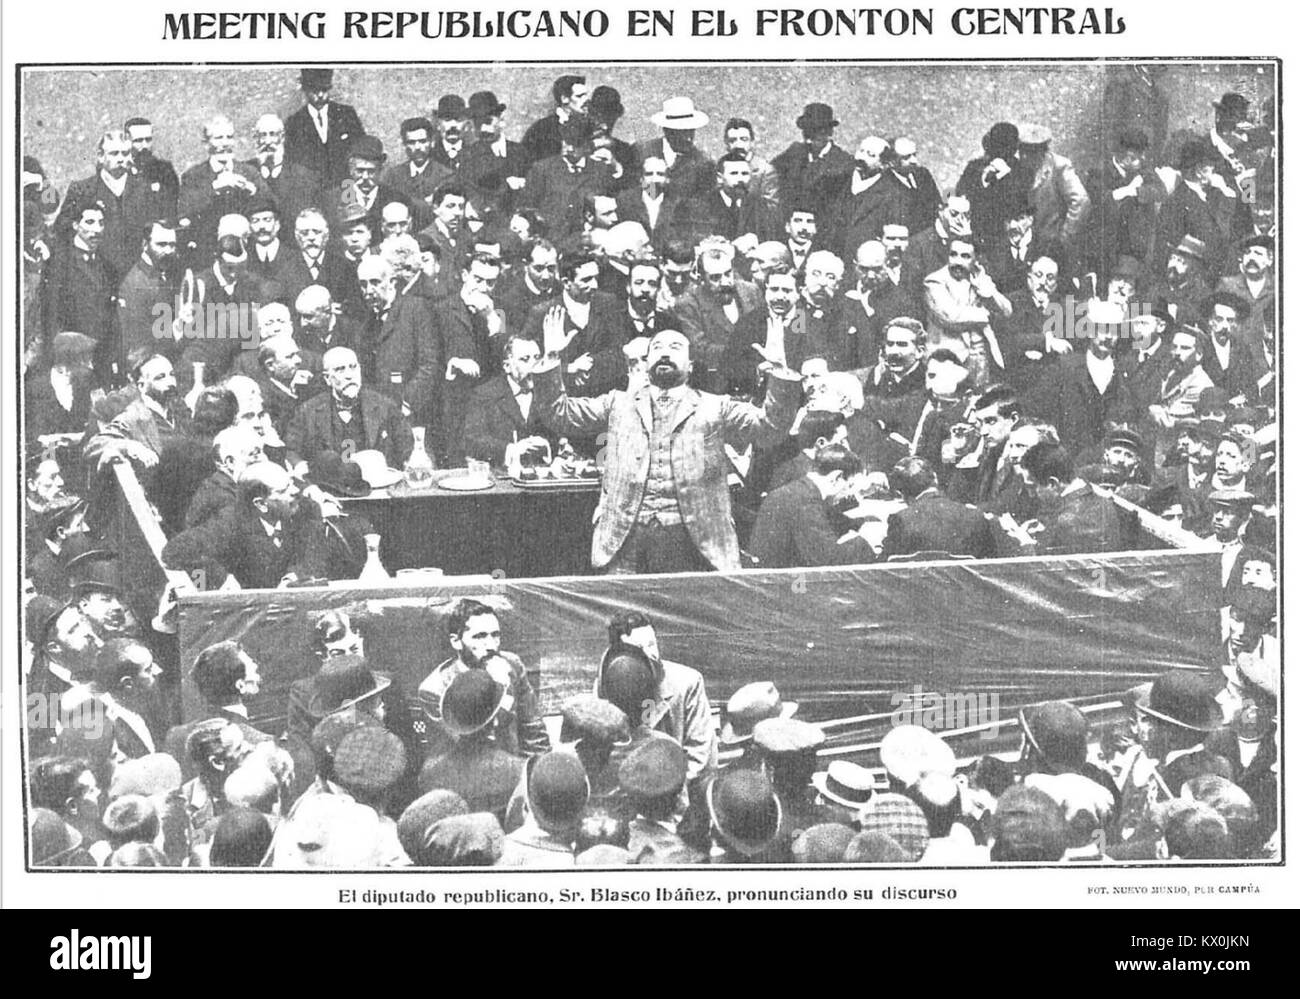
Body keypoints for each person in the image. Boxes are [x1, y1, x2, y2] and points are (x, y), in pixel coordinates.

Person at [537, 327, 800, 572]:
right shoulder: (617, 403)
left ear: (691, 365)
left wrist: (779, 370)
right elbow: (559, 413)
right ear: (647, 360)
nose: (664, 352)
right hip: (623, 540)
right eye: (657, 347)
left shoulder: (716, 407)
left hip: (696, 541)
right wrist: (550, 359)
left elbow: (771, 427)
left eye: (675, 347)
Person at [161, 460, 330, 589]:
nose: (295, 491)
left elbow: (315, 553)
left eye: (291, 483)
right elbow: (174, 551)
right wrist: (221, 579)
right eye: (283, 490)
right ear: (260, 504)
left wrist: (294, 576)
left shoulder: (305, 509)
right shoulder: (231, 520)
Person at [418, 599, 551, 760]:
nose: (491, 645)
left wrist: (537, 776)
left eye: (495, 635)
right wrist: (500, 687)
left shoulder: (511, 664)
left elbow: (534, 731)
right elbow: (473, 744)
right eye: (480, 636)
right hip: (463, 774)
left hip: (513, 770)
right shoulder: (435, 689)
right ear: (456, 641)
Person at [597, 611, 717, 784]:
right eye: (639, 649)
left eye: (652, 645)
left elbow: (699, 754)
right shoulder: (610, 683)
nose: (650, 655)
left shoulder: (687, 683)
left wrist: (665, 794)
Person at [285, 346, 414, 473]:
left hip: (377, 485)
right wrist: (300, 466)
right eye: (340, 370)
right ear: (327, 378)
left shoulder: (385, 406)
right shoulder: (308, 410)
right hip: (330, 488)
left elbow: (407, 446)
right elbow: (291, 450)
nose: (349, 375)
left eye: (353, 367)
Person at [750, 444, 878, 568]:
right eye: (849, 486)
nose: (847, 494)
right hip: (784, 585)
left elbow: (830, 518)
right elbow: (830, 560)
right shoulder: (806, 502)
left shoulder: (800, 489)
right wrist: (865, 541)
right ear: (837, 477)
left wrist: (860, 525)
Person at [1011, 442, 1131, 555]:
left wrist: (1026, 545)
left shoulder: (1067, 522)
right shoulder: (1095, 498)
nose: (1032, 493)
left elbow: (1046, 569)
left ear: (1053, 483)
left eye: (1034, 486)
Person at [462, 336, 556, 467]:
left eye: (537, 357)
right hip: (501, 476)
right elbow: (472, 439)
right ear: (507, 366)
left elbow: (560, 435)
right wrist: (511, 449)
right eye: (525, 359)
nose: (534, 365)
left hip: (540, 475)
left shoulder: (549, 393)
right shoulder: (485, 394)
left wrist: (546, 444)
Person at [883, 456, 997, 559]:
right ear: (935, 479)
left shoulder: (901, 520)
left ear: (901, 493)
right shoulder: (975, 516)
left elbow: (880, 571)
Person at [771, 103, 855, 222]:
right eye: (808, 130)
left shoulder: (844, 162)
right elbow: (769, 173)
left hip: (826, 228)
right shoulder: (794, 154)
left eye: (819, 130)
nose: (812, 136)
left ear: (830, 132)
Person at [284, 67, 365, 186]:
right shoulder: (294, 123)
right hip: (311, 190)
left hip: (346, 186)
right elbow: (291, 161)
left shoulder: (347, 114)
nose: (321, 95)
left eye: (325, 89)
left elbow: (361, 149)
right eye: (315, 90)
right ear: (305, 90)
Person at [635, 97, 715, 203]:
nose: (688, 138)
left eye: (691, 131)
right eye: (681, 131)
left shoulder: (703, 164)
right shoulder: (642, 152)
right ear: (666, 130)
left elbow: (703, 205)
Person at [520, 74, 590, 169]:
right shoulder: (541, 129)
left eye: (586, 95)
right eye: (580, 96)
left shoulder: (590, 126)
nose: (586, 100)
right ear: (564, 99)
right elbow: (526, 164)